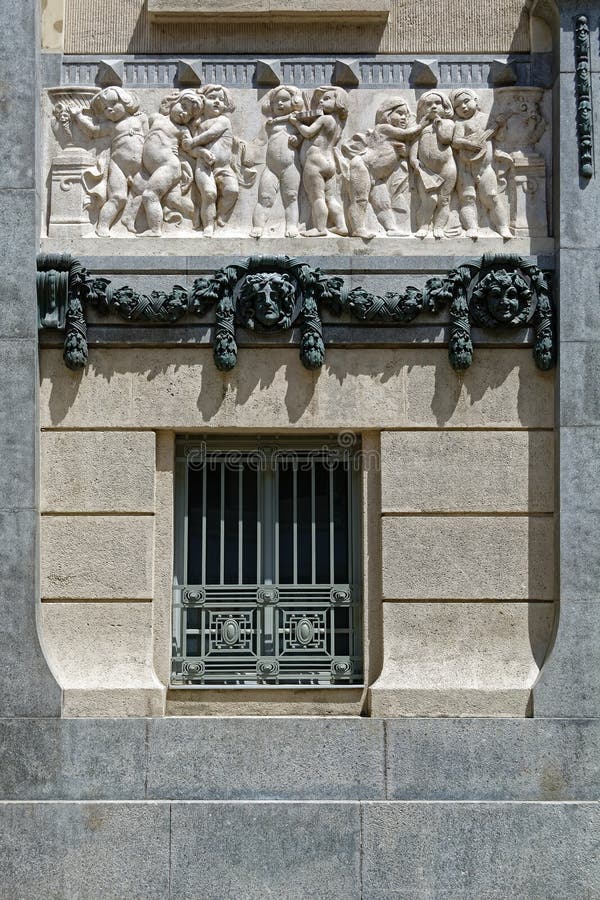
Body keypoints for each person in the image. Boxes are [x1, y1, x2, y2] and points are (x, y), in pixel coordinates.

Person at [121, 90, 202, 236]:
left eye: (189, 114)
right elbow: (143, 133)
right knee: (173, 200)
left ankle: (155, 230)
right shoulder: (155, 118)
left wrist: (185, 149)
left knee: (150, 195)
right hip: (150, 168)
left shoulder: (182, 129)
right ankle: (197, 214)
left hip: (168, 166)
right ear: (174, 102)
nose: (184, 113)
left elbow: (189, 146)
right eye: (183, 106)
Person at [342, 97, 421, 238]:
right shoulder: (383, 128)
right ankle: (357, 229)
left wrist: (405, 152)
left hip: (378, 177)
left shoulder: (395, 137)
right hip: (362, 167)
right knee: (360, 199)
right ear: (387, 114)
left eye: (406, 115)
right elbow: (407, 134)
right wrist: (424, 123)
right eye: (400, 113)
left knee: (383, 204)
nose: (404, 117)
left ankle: (391, 229)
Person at [72, 87, 147, 236]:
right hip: (118, 166)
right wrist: (78, 116)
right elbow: (93, 130)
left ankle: (129, 218)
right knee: (118, 197)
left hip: (140, 167)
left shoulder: (140, 119)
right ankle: (102, 226)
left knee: (147, 193)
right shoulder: (111, 126)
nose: (109, 109)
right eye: (105, 108)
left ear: (126, 102)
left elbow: (151, 138)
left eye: (113, 104)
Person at [450, 88, 512, 239]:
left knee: (492, 196)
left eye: (466, 101)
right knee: (467, 198)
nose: (463, 107)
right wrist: (468, 144)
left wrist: (501, 125)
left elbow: (501, 137)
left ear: (475, 101)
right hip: (465, 168)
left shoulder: (487, 119)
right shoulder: (460, 123)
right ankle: (472, 227)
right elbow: (455, 141)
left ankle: (503, 226)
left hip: (485, 168)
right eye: (458, 106)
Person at [290, 86, 349, 237]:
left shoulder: (324, 118)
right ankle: (341, 226)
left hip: (315, 162)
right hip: (329, 163)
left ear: (338, 102)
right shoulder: (338, 123)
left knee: (317, 197)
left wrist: (296, 123)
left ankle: (320, 229)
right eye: (321, 99)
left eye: (327, 99)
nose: (321, 101)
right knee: (331, 197)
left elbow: (308, 133)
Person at [181, 84, 239, 236]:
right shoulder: (197, 124)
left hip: (224, 167)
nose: (217, 102)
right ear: (202, 100)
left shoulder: (223, 120)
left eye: (221, 99)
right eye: (212, 98)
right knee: (209, 193)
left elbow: (212, 133)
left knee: (232, 191)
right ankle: (208, 225)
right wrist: (201, 152)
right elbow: (190, 151)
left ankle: (221, 214)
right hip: (204, 166)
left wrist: (192, 142)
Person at [250, 85, 305, 239]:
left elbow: (304, 136)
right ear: (271, 105)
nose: (280, 103)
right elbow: (259, 141)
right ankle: (258, 226)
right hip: (271, 167)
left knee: (291, 197)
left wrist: (297, 139)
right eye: (276, 101)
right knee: (264, 198)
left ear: (294, 102)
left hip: (291, 166)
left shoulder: (296, 121)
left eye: (284, 100)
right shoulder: (270, 124)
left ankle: (292, 226)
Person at [409, 90, 456, 239]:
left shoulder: (448, 123)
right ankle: (423, 226)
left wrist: (439, 124)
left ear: (445, 106)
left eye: (437, 103)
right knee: (428, 200)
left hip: (446, 168)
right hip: (425, 170)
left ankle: (439, 227)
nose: (433, 107)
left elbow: (446, 139)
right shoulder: (421, 128)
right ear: (422, 109)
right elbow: (414, 146)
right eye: (428, 105)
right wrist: (413, 160)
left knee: (443, 200)